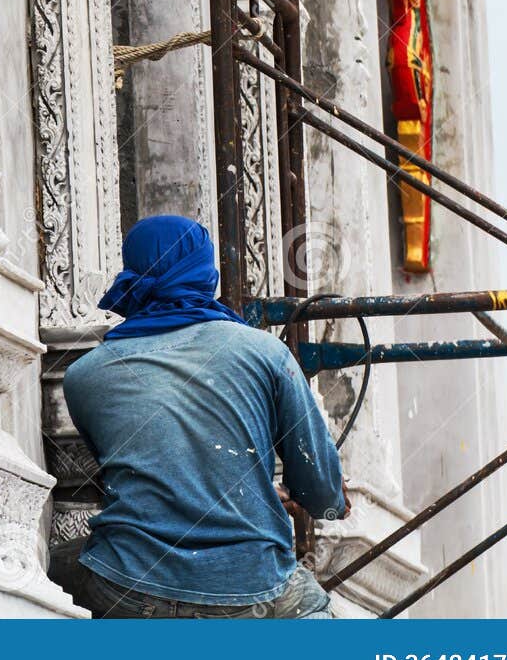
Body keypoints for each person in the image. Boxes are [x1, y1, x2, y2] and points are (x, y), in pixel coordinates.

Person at [54, 215, 348, 619]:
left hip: (127, 590)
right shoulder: (265, 352)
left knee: (51, 567)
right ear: (204, 272)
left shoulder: (83, 375)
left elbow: (150, 464)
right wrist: (328, 499)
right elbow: (320, 494)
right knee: (318, 613)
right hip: (250, 592)